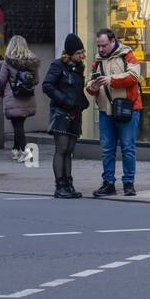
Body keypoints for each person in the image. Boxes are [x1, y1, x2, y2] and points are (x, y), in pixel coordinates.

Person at [86, 27, 142, 197]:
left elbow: (134, 77)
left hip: (127, 109)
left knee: (127, 148)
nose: (101, 49)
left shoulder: (127, 55)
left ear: (113, 42)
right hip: (106, 111)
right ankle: (108, 182)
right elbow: (89, 85)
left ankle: (128, 183)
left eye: (104, 45)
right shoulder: (96, 61)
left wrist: (111, 80)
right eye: (98, 46)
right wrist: (92, 87)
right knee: (107, 149)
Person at [42, 34, 89, 199]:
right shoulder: (58, 65)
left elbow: (77, 89)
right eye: (78, 53)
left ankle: (68, 184)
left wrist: (83, 102)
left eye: (82, 52)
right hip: (61, 113)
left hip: (74, 113)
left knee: (69, 150)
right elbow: (47, 85)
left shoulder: (79, 67)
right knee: (61, 149)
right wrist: (63, 100)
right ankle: (60, 185)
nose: (82, 55)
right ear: (69, 53)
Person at [0, 35, 40, 162]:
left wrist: (0, 93)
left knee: (18, 126)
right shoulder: (32, 62)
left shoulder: (8, 61)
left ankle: (26, 153)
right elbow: (36, 81)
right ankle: (16, 151)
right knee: (19, 124)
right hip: (28, 97)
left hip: (13, 97)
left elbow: (1, 80)